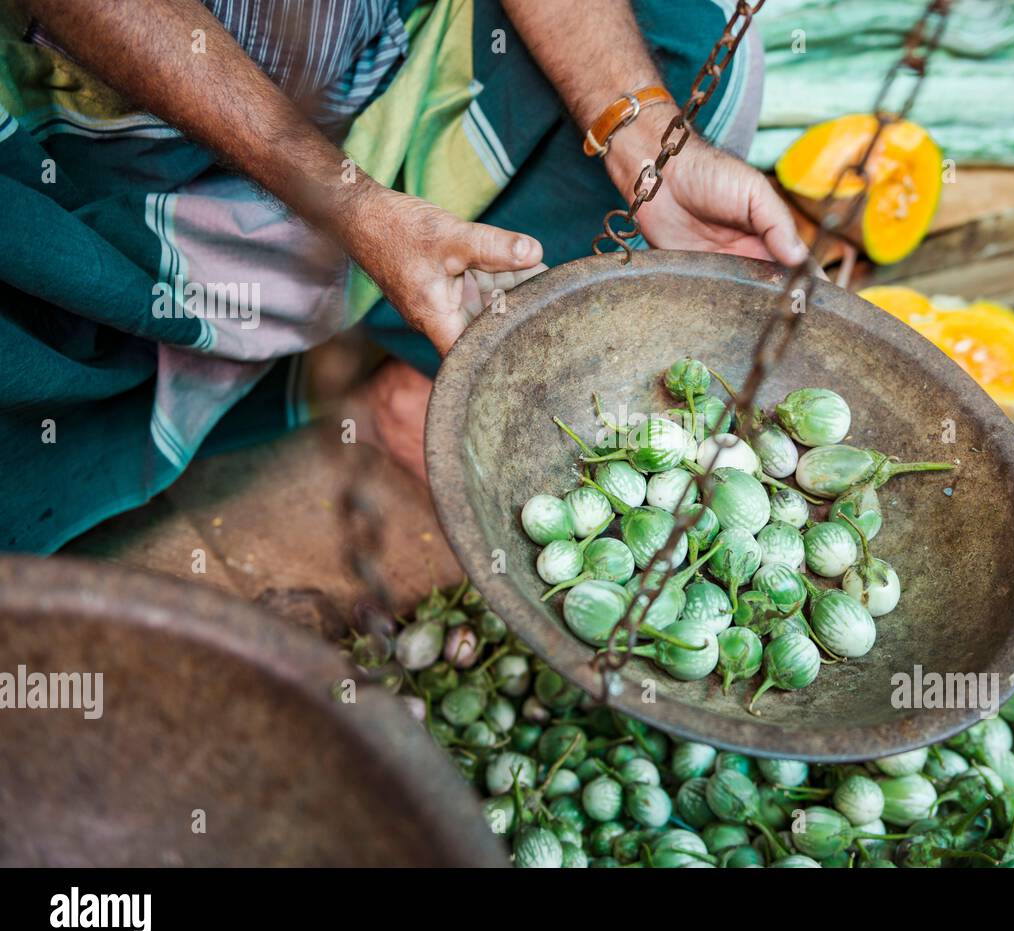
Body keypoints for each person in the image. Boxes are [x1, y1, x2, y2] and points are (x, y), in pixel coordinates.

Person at [0, 0, 803, 553]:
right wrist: (356, 211)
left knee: (698, 55)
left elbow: (642, 111)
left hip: (406, 63)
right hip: (150, 152)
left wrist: (640, 132)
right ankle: (370, 326)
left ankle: (405, 341)